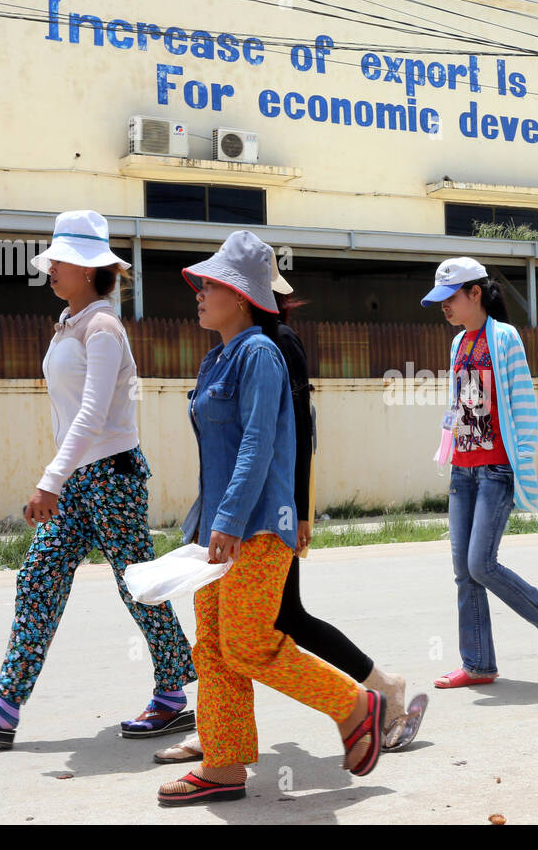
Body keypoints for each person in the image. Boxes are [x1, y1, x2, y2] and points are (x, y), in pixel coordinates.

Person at [0, 210, 196, 749]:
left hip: (110, 476)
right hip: (79, 477)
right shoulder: (69, 323)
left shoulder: (101, 328)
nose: (51, 267)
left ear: (88, 269)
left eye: (61, 260)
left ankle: (175, 696)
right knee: (39, 575)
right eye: (53, 259)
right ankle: (4, 706)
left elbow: (94, 415)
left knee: (137, 585)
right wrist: (61, 476)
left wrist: (50, 479)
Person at [155, 270, 423, 764]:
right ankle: (223, 755)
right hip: (222, 522)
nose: (198, 295)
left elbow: (281, 438)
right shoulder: (220, 355)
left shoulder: (268, 351)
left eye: (209, 286)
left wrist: (294, 510)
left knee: (255, 638)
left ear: (242, 296)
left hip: (258, 521)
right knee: (220, 643)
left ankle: (360, 701)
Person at [422, 257, 538, 689]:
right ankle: (478, 665)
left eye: (450, 299)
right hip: (462, 471)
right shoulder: (458, 345)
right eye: (440, 302)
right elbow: (459, 402)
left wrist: (520, 462)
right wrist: (446, 442)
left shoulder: (505, 338)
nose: (444, 308)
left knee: (481, 564)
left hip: (495, 470)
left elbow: (522, 403)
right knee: (462, 570)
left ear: (475, 293)